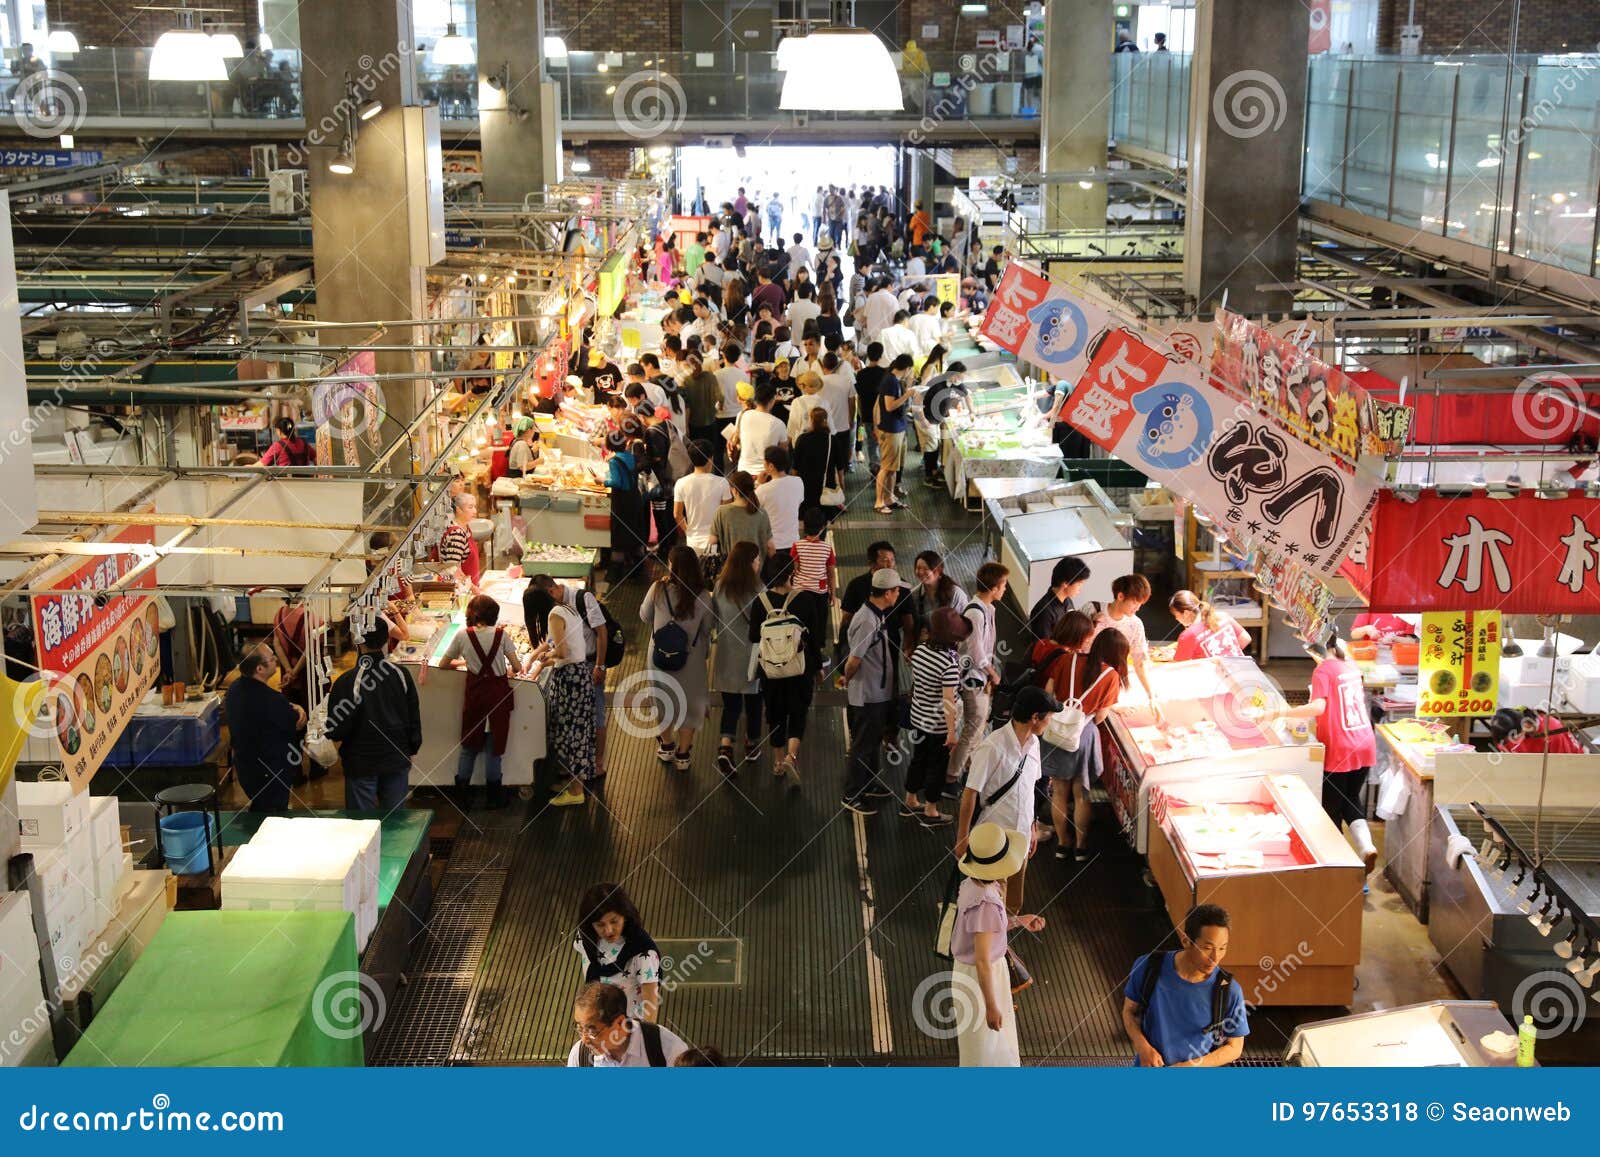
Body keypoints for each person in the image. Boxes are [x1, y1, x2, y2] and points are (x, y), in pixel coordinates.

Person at [1272, 635, 1379, 876]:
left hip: (1339, 747)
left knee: (1331, 810)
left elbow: (1319, 707)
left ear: (1316, 650)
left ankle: (1340, 871)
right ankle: (1365, 846)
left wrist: (1281, 713)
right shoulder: (1350, 666)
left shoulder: (1323, 671)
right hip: (1363, 740)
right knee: (1351, 797)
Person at [955, 686, 1060, 914]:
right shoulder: (992, 747)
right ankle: (987, 946)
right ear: (1035, 718)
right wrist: (962, 837)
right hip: (994, 839)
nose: (1050, 723)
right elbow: (970, 793)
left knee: (1013, 901)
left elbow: (1033, 787)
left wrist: (1032, 827)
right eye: (1049, 717)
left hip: (1020, 838)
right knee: (990, 903)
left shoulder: (1034, 744)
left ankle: (1003, 940)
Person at [951, 822, 1045, 1067]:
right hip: (983, 978)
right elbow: (982, 960)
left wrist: (1018, 921)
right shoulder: (987, 903)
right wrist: (991, 1006)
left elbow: (982, 930)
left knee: (980, 1050)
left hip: (969, 974)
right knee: (988, 1053)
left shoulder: (970, 886)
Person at [1122, 904, 1248, 1067]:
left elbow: (1235, 1047)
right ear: (1186, 940)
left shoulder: (1229, 990)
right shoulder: (1148, 967)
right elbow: (1129, 1012)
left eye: (1222, 948)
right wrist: (1143, 1047)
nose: (1215, 958)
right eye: (1207, 948)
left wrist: (1192, 1066)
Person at [1040, 623, 1125, 861]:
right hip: (1083, 735)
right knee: (1081, 795)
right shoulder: (1111, 676)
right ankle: (1080, 846)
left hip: (1056, 733)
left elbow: (1048, 692)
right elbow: (1100, 717)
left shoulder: (1068, 660)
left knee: (1058, 792)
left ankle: (1062, 844)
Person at [435, 594, 525, 809]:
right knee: (495, 747)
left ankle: (462, 796)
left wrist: (463, 662)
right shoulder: (502, 635)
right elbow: (517, 667)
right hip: (497, 697)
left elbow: (443, 663)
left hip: (475, 696)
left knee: (469, 745)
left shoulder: (462, 636)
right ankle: (494, 797)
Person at [324, 625, 422, 812]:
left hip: (361, 762)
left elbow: (337, 729)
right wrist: (412, 746)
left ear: (357, 641)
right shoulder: (401, 674)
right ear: (386, 640)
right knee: (394, 823)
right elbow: (413, 716)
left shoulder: (346, 682)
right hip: (396, 758)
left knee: (363, 827)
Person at [526, 573, 611, 779]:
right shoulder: (564, 608)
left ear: (550, 592)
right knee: (578, 722)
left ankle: (595, 766)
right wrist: (534, 658)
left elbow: (601, 632)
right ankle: (578, 771)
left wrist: (599, 665)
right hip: (579, 667)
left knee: (590, 717)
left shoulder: (578, 601)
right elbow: (554, 641)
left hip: (586, 664)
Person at [523, 584, 592, 807]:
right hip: (579, 674)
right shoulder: (565, 609)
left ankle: (576, 791)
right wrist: (536, 656)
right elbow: (562, 646)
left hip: (570, 679)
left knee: (571, 732)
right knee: (575, 731)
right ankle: (573, 784)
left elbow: (560, 651)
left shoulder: (554, 616)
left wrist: (543, 659)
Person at [748, 555, 813, 788]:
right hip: (799, 669)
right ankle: (791, 757)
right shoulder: (804, 600)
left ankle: (777, 762)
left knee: (775, 714)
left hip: (771, 671)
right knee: (798, 712)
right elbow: (812, 638)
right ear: (791, 573)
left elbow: (753, 636)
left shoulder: (760, 602)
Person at [842, 567, 904, 813]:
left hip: (878, 692)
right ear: (887, 593)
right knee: (863, 744)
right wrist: (846, 679)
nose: (898, 594)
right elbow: (854, 660)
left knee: (872, 741)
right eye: (897, 590)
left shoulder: (876, 614)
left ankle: (867, 783)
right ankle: (851, 794)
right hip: (867, 695)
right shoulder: (867, 620)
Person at [904, 607, 967, 827]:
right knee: (937, 767)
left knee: (918, 759)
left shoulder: (920, 650)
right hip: (938, 725)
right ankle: (931, 810)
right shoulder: (948, 664)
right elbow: (948, 701)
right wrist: (951, 732)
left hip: (918, 717)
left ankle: (910, 800)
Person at [224, 644, 304, 812]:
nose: (276, 659)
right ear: (259, 668)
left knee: (261, 808)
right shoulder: (272, 699)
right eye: (271, 658)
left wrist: (289, 705)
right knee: (272, 815)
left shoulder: (234, 689)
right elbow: (296, 723)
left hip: (246, 769)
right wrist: (299, 709)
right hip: (270, 773)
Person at [711, 541, 766, 776]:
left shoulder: (720, 586)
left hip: (726, 655)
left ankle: (725, 747)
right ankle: (752, 745)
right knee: (754, 704)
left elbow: (714, 620)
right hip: (753, 656)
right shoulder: (759, 590)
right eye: (756, 560)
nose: (759, 563)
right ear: (749, 564)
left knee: (731, 706)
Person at [951, 561, 1007, 786]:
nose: (1004, 590)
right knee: (973, 729)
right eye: (1003, 586)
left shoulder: (987, 609)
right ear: (993, 588)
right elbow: (975, 652)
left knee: (977, 726)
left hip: (979, 676)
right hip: (973, 677)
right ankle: (952, 775)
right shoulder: (976, 613)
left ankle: (968, 768)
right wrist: (992, 673)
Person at [574, 884, 662, 1023]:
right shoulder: (584, 938)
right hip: (597, 1022)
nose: (609, 930)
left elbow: (650, 1006)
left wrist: (645, 1039)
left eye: (614, 921)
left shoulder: (644, 954)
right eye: (600, 925)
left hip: (628, 1027)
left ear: (625, 916)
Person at [568, 982, 689, 1068]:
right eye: (579, 1029)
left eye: (591, 1031)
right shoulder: (580, 1056)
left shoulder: (666, 1049)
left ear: (620, 1022)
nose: (584, 1040)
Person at [1094, 574, 1159, 716]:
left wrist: (1151, 695)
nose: (1138, 608)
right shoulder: (1093, 609)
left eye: (1141, 604)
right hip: (1087, 681)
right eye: (1135, 602)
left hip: (1111, 686)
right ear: (1120, 596)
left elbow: (1139, 663)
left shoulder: (1135, 624)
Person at [904, 549, 969, 655]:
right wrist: (909, 646)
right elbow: (911, 626)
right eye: (918, 568)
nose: (920, 572)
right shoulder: (914, 595)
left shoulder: (955, 594)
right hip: (924, 652)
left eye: (926, 569)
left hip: (950, 652)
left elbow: (964, 626)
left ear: (938, 571)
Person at [674, 440, 732, 557]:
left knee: (695, 572)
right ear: (710, 459)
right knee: (712, 572)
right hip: (715, 540)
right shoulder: (722, 482)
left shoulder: (681, 483)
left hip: (692, 540)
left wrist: (688, 531)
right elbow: (726, 514)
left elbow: (677, 514)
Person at [605, 431, 650, 582]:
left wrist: (603, 481)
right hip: (634, 498)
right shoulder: (630, 456)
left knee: (619, 536)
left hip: (621, 502)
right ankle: (638, 572)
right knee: (634, 532)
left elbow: (616, 482)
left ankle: (615, 574)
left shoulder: (614, 461)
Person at [874, 354, 914, 514]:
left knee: (893, 468)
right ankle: (879, 502)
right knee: (885, 467)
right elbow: (889, 406)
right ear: (907, 368)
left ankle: (889, 498)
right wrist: (907, 395)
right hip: (890, 430)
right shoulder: (890, 382)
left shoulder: (895, 381)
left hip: (897, 428)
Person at [1168, 590, 1251, 661]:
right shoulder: (1223, 616)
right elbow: (1245, 638)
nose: (1176, 618)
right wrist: (1228, 654)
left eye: (1176, 615)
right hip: (1241, 668)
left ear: (1186, 613)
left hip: (1216, 676)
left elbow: (1179, 666)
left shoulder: (1188, 635)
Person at [728, 379, 787, 476]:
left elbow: (737, 440)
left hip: (743, 471)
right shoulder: (779, 424)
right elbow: (782, 451)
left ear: (756, 399)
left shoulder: (743, 415)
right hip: (766, 474)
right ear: (772, 401)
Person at [710, 470, 773, 559]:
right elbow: (770, 546)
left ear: (735, 490)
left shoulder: (721, 512)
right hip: (756, 569)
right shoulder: (762, 513)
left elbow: (712, 542)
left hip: (729, 569)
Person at [1027, 556, 1091, 644]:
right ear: (1065, 583)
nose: (1080, 588)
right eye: (1079, 584)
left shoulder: (1068, 601)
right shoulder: (1044, 611)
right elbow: (1044, 648)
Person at [755, 444, 805, 553]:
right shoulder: (798, 482)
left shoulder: (763, 490)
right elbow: (797, 504)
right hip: (793, 542)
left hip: (772, 545)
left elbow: (752, 509)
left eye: (765, 462)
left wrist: (758, 483)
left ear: (771, 466)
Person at [792, 405, 834, 515]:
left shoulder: (802, 439)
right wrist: (842, 485)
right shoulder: (832, 440)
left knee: (805, 514)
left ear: (811, 420)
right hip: (825, 486)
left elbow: (795, 466)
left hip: (806, 486)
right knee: (825, 515)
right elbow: (840, 467)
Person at [436, 492, 482, 591]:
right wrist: (473, 588)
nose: (475, 511)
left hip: (468, 588)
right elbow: (453, 570)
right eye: (470, 507)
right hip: (461, 592)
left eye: (474, 507)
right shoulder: (456, 534)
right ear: (458, 510)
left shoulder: (466, 528)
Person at [1487, 707, 1583, 754]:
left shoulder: (1554, 734)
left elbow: (1565, 766)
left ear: (1525, 725)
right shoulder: (1510, 724)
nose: (1509, 743)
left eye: (1513, 737)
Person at [855, 343, 887, 474]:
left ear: (868, 355)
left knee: (871, 443)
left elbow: (860, 396)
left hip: (867, 414)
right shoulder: (885, 373)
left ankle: (874, 469)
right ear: (881, 355)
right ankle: (884, 468)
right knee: (884, 441)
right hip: (883, 414)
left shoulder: (861, 374)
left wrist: (861, 415)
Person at [1349, 611, 1419, 642]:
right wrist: (1366, 629)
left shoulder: (1409, 610)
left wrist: (1394, 638)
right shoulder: (1368, 604)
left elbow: (1412, 641)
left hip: (1398, 655)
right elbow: (1354, 635)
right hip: (1371, 654)